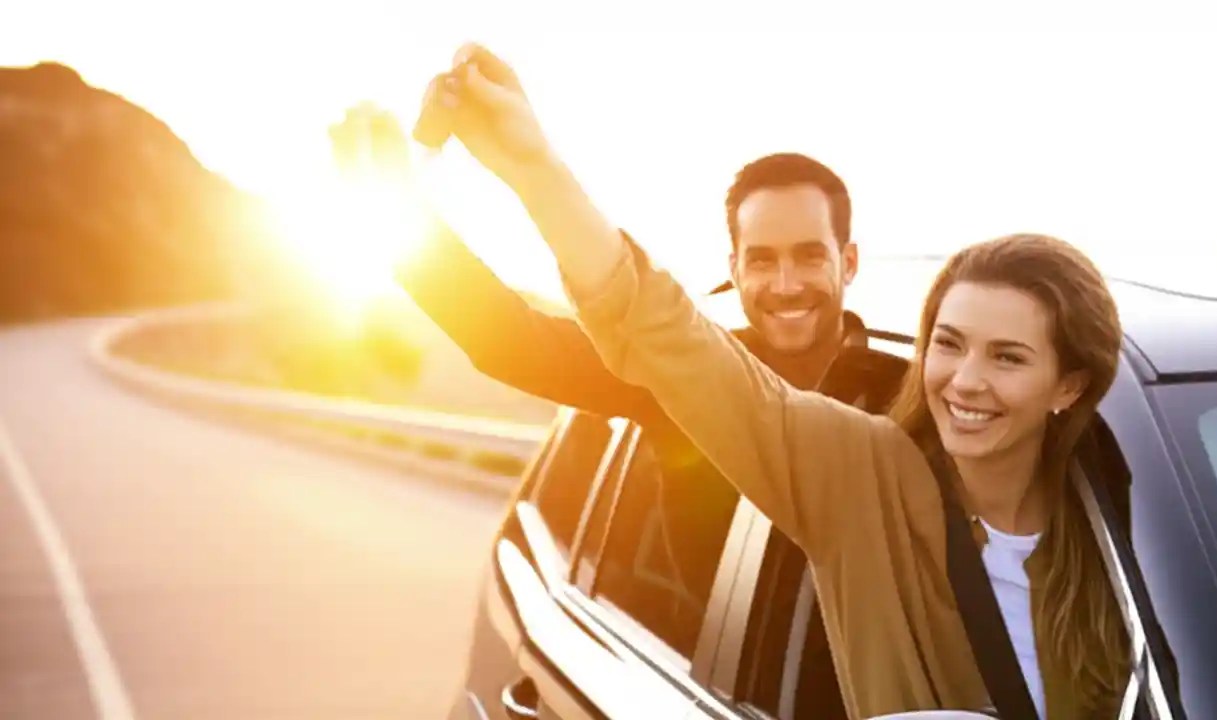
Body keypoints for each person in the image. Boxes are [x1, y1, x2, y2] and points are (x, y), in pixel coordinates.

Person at [416, 44, 1132, 719]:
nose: (965, 382)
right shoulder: (855, 465)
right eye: (948, 345)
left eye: (1008, 357)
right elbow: (629, 323)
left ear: (848, 262)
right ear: (732, 269)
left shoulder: (1114, 531)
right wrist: (526, 170)